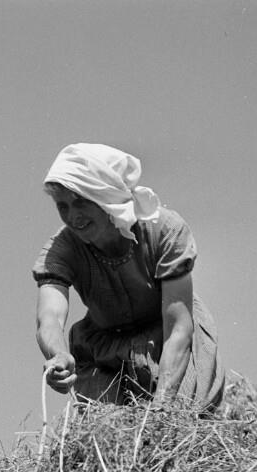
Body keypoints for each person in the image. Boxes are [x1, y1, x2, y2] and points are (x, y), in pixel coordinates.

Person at [33, 143, 225, 410]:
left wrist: (162, 407)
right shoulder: (62, 249)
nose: (72, 216)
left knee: (177, 426)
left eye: (81, 202)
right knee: (110, 437)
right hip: (105, 351)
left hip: (170, 340)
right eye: (62, 206)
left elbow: (179, 327)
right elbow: (50, 317)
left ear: (105, 197)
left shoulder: (165, 231)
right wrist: (59, 354)